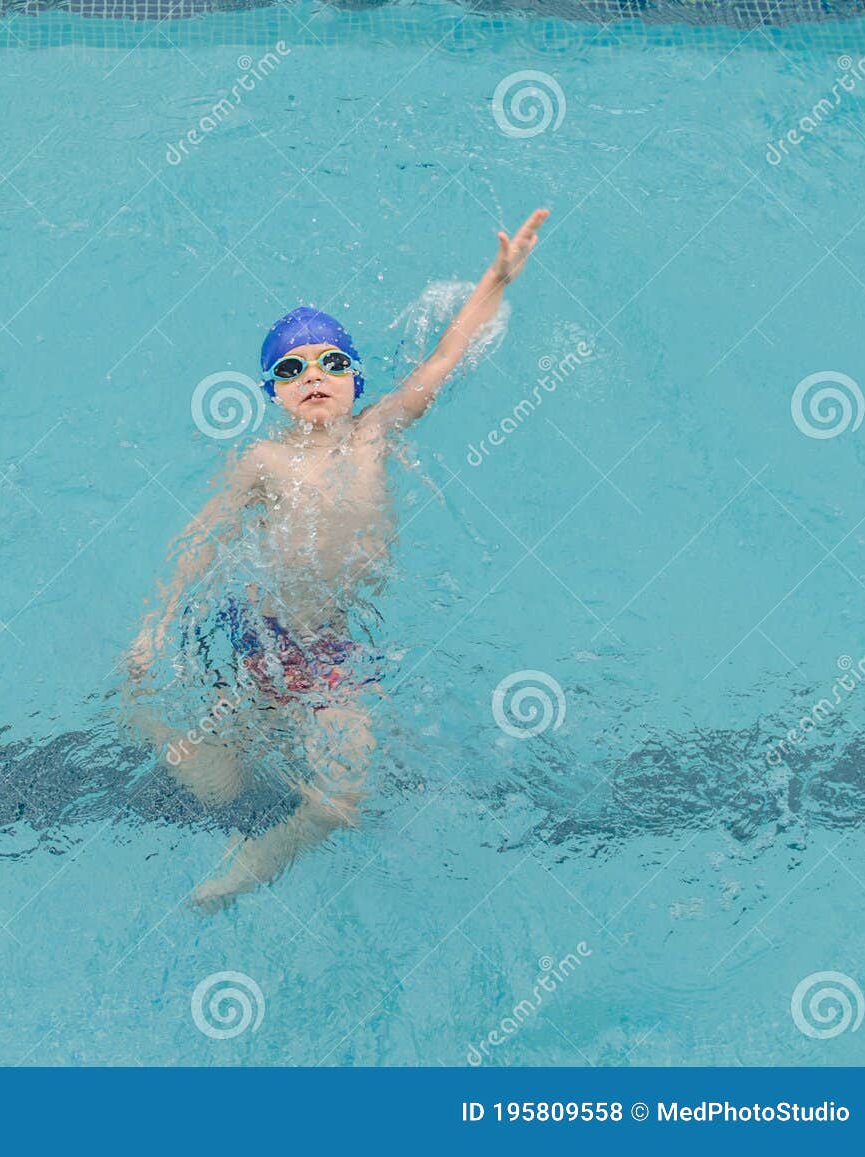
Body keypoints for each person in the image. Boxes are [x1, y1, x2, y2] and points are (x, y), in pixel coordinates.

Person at [128, 208, 550, 912]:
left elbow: (445, 355)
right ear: (273, 393)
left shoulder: (378, 432)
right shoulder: (262, 460)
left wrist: (496, 281)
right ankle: (133, 712)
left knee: (338, 802)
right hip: (255, 632)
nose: (313, 375)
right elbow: (200, 541)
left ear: (357, 378)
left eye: (331, 362)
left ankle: (256, 860)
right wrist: (154, 624)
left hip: (328, 649)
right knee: (221, 784)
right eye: (291, 369)